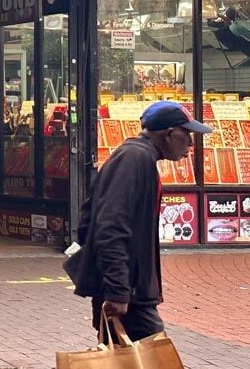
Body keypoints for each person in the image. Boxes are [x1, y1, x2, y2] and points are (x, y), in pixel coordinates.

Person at [69, 101, 212, 341]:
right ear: (168, 134)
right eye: (186, 134)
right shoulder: (134, 159)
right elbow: (109, 226)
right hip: (129, 293)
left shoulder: (140, 158)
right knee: (155, 358)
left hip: (131, 289)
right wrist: (117, 289)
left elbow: (89, 219)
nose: (190, 143)